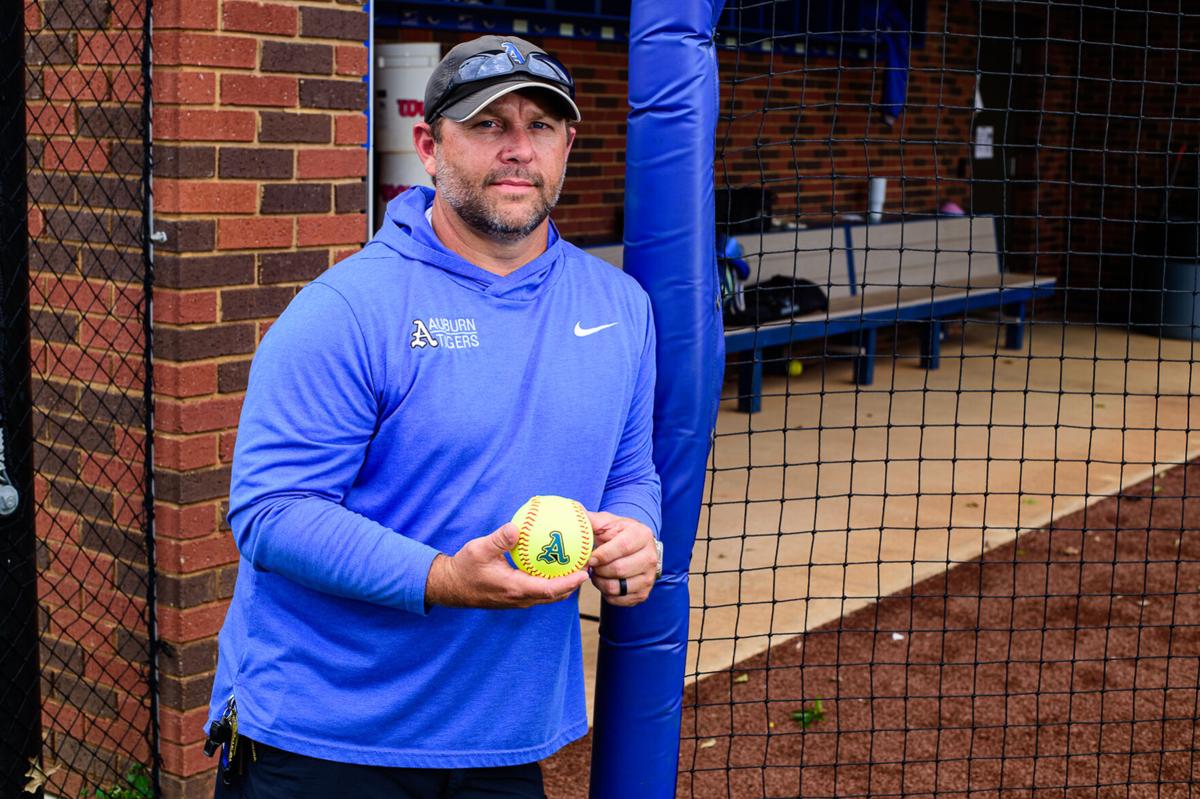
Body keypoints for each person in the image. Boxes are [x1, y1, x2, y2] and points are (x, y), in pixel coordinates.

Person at [204, 34, 663, 798]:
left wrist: (636, 532)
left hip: (501, 737)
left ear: (567, 145)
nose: (518, 149)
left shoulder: (620, 306)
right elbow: (272, 511)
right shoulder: (348, 308)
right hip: (326, 738)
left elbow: (629, 471)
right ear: (428, 146)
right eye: (487, 124)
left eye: (540, 125)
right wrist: (442, 576)